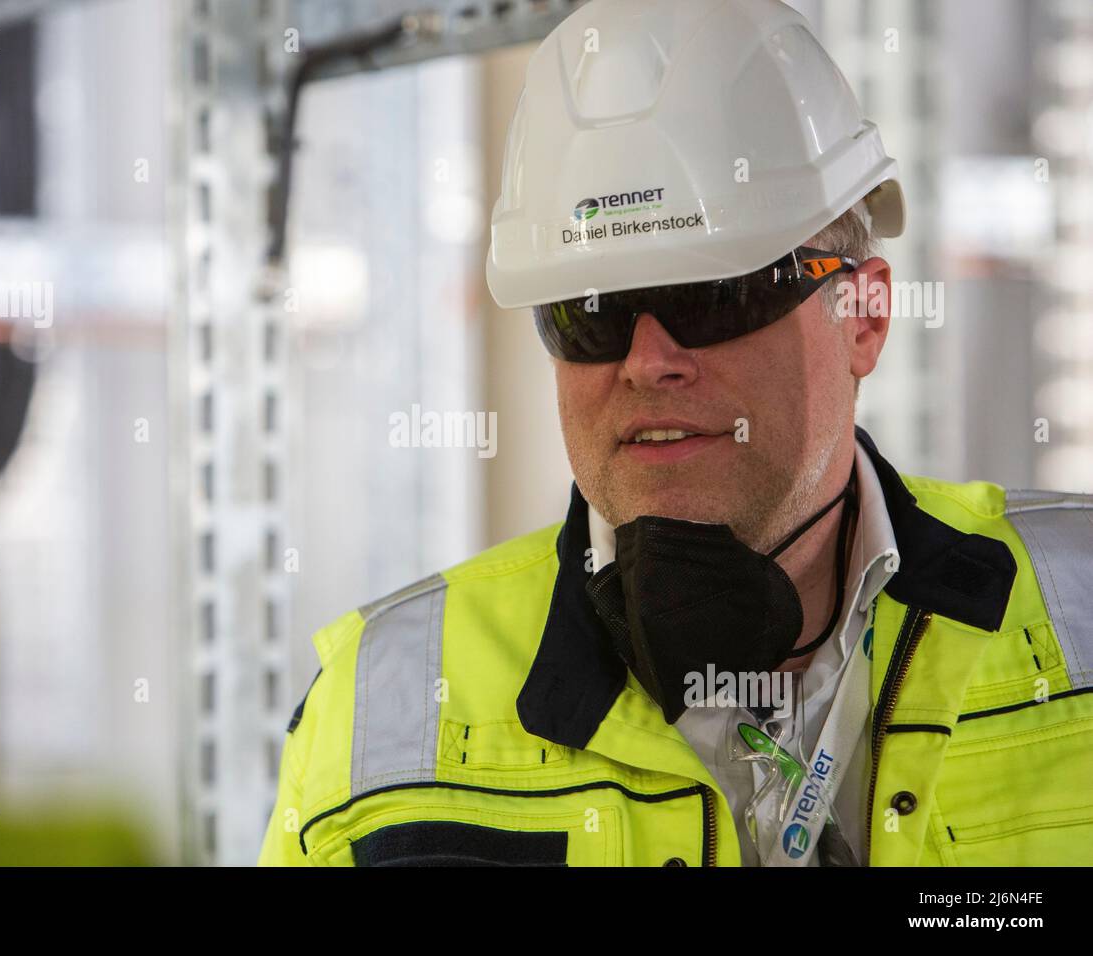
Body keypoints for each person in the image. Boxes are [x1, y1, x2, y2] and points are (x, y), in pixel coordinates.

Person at [259, 0, 1093, 866]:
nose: (649, 361)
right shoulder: (376, 727)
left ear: (864, 316)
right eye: (593, 314)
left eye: (714, 295)